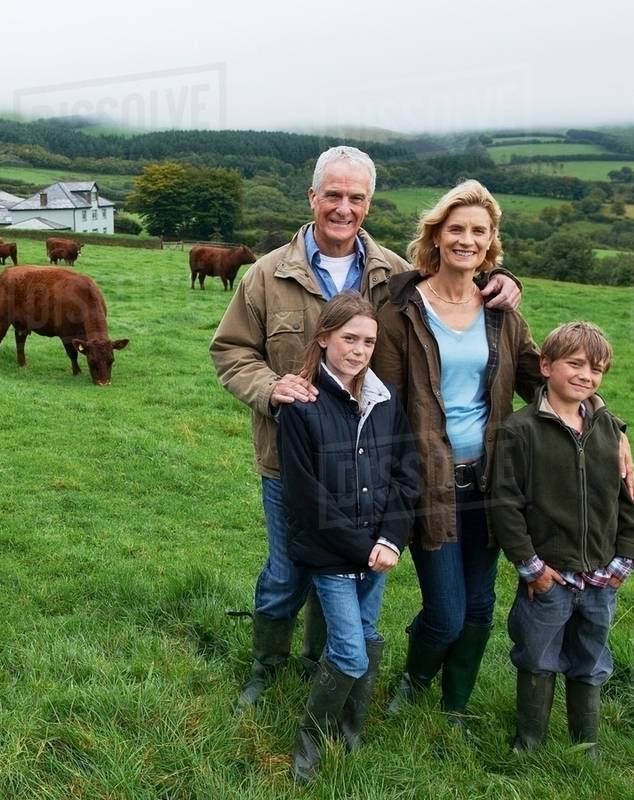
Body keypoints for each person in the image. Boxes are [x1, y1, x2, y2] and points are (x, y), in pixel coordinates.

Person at [210, 147, 521, 711]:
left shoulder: (397, 278)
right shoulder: (266, 274)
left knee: (355, 572)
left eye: (356, 198)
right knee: (287, 573)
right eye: (333, 194)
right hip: (290, 461)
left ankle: (323, 665)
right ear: (312, 198)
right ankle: (266, 667)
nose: (343, 207)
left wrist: (502, 279)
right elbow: (231, 352)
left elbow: (459, 283)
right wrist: (269, 387)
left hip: (370, 469)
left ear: (369, 204)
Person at [372, 179, 547, 730]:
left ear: (491, 242)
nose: (466, 240)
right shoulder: (402, 311)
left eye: (478, 231)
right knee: (446, 614)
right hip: (430, 483)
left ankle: (454, 706)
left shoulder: (503, 313)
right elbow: (386, 404)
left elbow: (542, 384)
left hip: (492, 483)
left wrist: (610, 431)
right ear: (437, 236)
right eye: (456, 230)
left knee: (479, 608)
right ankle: (414, 680)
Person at [276, 292, 418, 783]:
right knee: (351, 650)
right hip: (335, 555)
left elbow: (405, 473)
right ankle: (309, 744)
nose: (359, 350)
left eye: (369, 342)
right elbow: (305, 494)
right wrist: (364, 548)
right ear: (324, 339)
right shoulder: (302, 405)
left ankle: (349, 731)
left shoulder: (384, 400)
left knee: (368, 632)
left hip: (379, 550)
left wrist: (392, 539)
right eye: (349, 338)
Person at [489, 322, 634, 759]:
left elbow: (628, 500)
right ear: (545, 366)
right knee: (538, 656)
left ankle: (585, 746)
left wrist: (625, 561)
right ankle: (529, 743)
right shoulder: (520, 430)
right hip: (548, 578)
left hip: (601, 577)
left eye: (596, 370)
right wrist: (531, 568)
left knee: (591, 658)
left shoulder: (609, 431)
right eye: (574, 364)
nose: (586, 376)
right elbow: (505, 505)